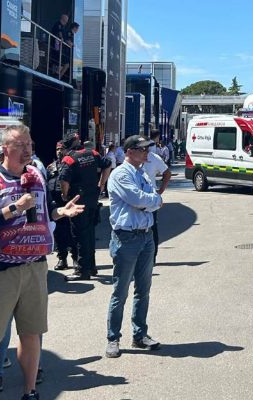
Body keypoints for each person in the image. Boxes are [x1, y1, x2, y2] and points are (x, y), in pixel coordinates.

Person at [0, 123, 84, 400]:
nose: (27, 150)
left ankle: (30, 391)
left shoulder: (36, 176)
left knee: (31, 334)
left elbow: (44, 214)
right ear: (5, 149)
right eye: (20, 145)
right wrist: (13, 209)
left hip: (35, 267)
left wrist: (59, 213)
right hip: (0, 270)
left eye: (30, 144)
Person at [105, 136, 165, 359]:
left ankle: (140, 334)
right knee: (120, 291)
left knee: (143, 289)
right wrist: (153, 202)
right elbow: (139, 199)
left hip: (146, 236)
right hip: (126, 238)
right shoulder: (121, 174)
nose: (146, 153)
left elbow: (152, 197)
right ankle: (113, 338)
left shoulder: (141, 173)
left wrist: (152, 201)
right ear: (129, 151)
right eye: (142, 150)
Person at [59, 133, 113, 281]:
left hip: (77, 200)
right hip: (92, 199)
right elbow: (108, 164)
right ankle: (92, 267)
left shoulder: (69, 159)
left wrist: (65, 196)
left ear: (66, 146)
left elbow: (64, 180)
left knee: (79, 235)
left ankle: (82, 270)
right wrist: (101, 185)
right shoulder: (93, 153)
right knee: (89, 233)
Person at [142, 134, 172, 262]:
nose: (146, 150)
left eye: (147, 147)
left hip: (150, 199)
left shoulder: (154, 158)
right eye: (143, 148)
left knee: (152, 227)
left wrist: (161, 190)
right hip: (134, 198)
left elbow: (167, 173)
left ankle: (152, 256)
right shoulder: (133, 160)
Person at [49, 143, 76, 271]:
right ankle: (62, 259)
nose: (59, 151)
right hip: (57, 204)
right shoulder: (51, 167)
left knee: (72, 232)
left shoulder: (71, 164)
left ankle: (76, 258)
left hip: (70, 203)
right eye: (57, 149)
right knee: (59, 233)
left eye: (62, 149)